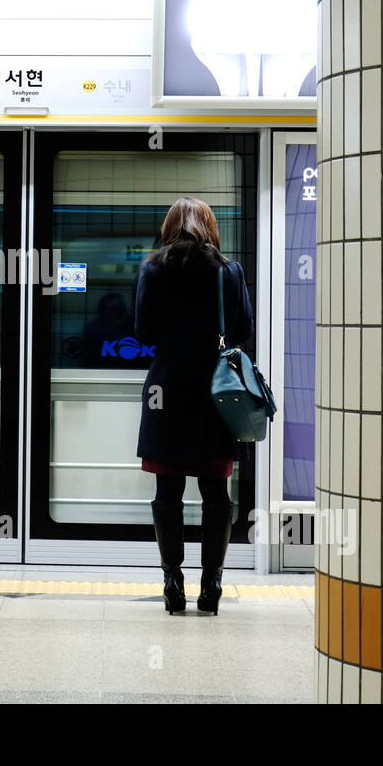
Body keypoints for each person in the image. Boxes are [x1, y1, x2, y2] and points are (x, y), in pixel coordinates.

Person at [134, 197, 253, 615]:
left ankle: (172, 582)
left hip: (167, 389)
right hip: (215, 392)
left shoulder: (153, 268)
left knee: (168, 488)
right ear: (209, 227)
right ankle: (212, 585)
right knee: (215, 489)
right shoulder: (228, 272)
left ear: (169, 227)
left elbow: (143, 330)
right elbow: (244, 330)